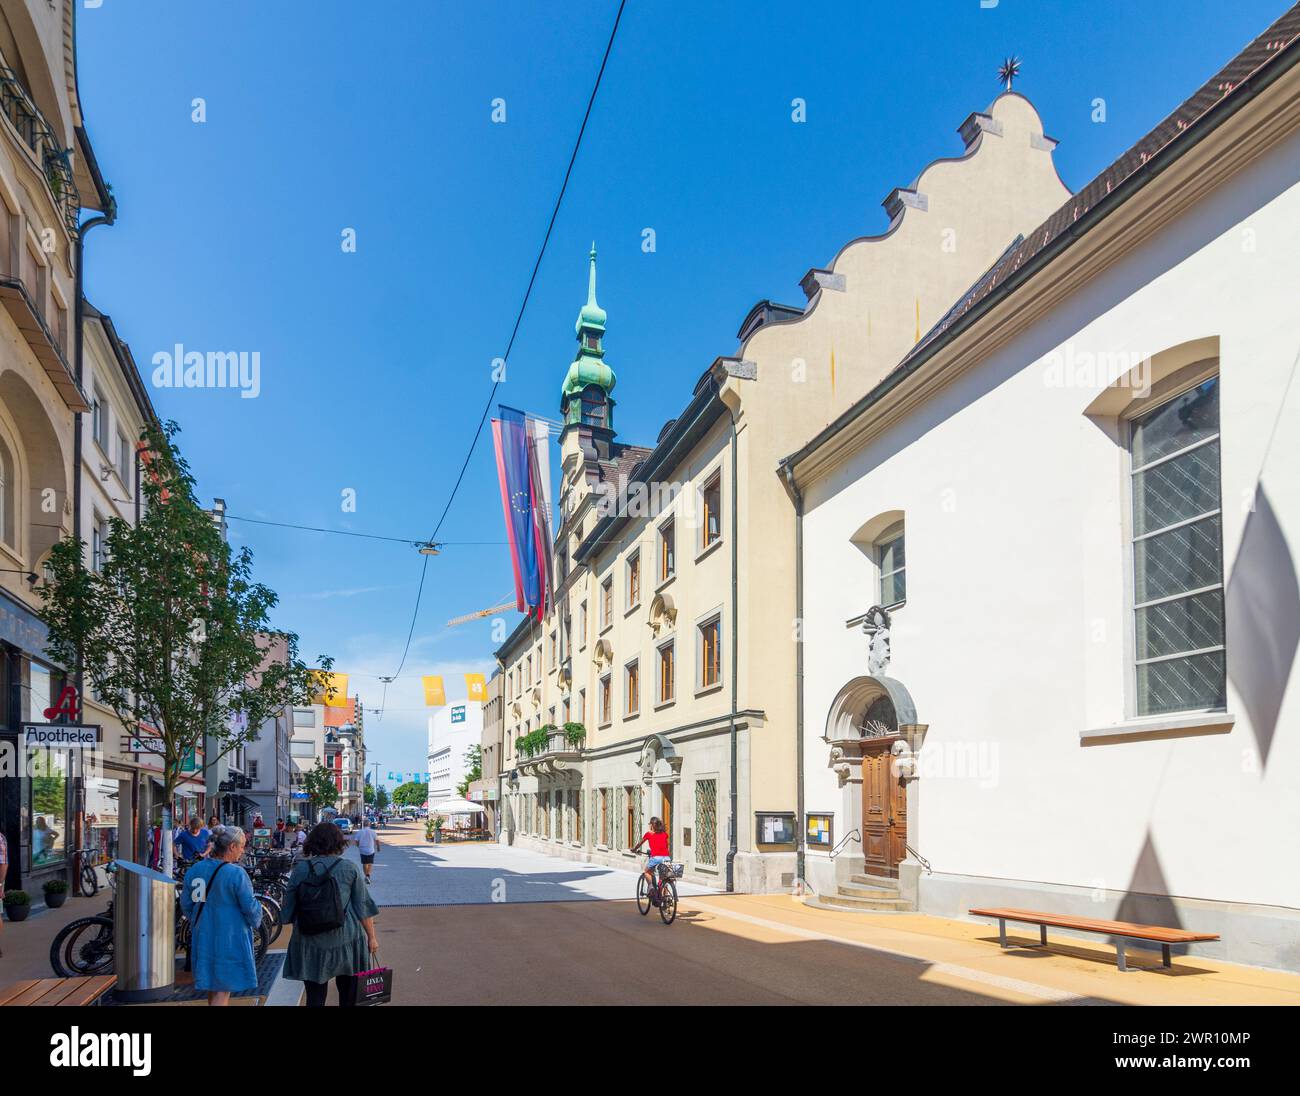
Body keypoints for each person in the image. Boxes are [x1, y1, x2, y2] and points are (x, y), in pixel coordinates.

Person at [281, 822, 379, 1006]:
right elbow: (363, 906)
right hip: (346, 938)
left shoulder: (301, 869)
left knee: (315, 998)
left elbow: (287, 911)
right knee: (349, 996)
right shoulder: (349, 868)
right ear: (338, 843)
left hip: (310, 940)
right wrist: (371, 937)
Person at [179, 826, 262, 1006]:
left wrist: (199, 920)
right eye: (241, 846)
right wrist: (257, 917)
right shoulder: (236, 873)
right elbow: (250, 907)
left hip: (203, 935)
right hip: (230, 936)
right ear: (232, 846)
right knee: (222, 990)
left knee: (213, 987)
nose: (242, 850)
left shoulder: (196, 870)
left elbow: (187, 904)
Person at [631, 817, 671, 905]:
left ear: (652, 825)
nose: (649, 826)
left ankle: (651, 887)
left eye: (650, 824)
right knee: (663, 877)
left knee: (647, 872)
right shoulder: (664, 834)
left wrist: (634, 849)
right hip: (667, 858)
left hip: (656, 857)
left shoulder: (649, 834)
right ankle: (665, 899)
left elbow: (640, 843)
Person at [353, 819, 379, 884]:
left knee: (364, 864)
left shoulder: (360, 832)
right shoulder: (373, 831)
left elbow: (356, 841)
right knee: (370, 863)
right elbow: (377, 840)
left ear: (363, 824)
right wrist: (378, 847)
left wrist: (358, 846)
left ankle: (366, 876)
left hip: (362, 850)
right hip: (371, 850)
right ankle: (368, 876)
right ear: (369, 824)